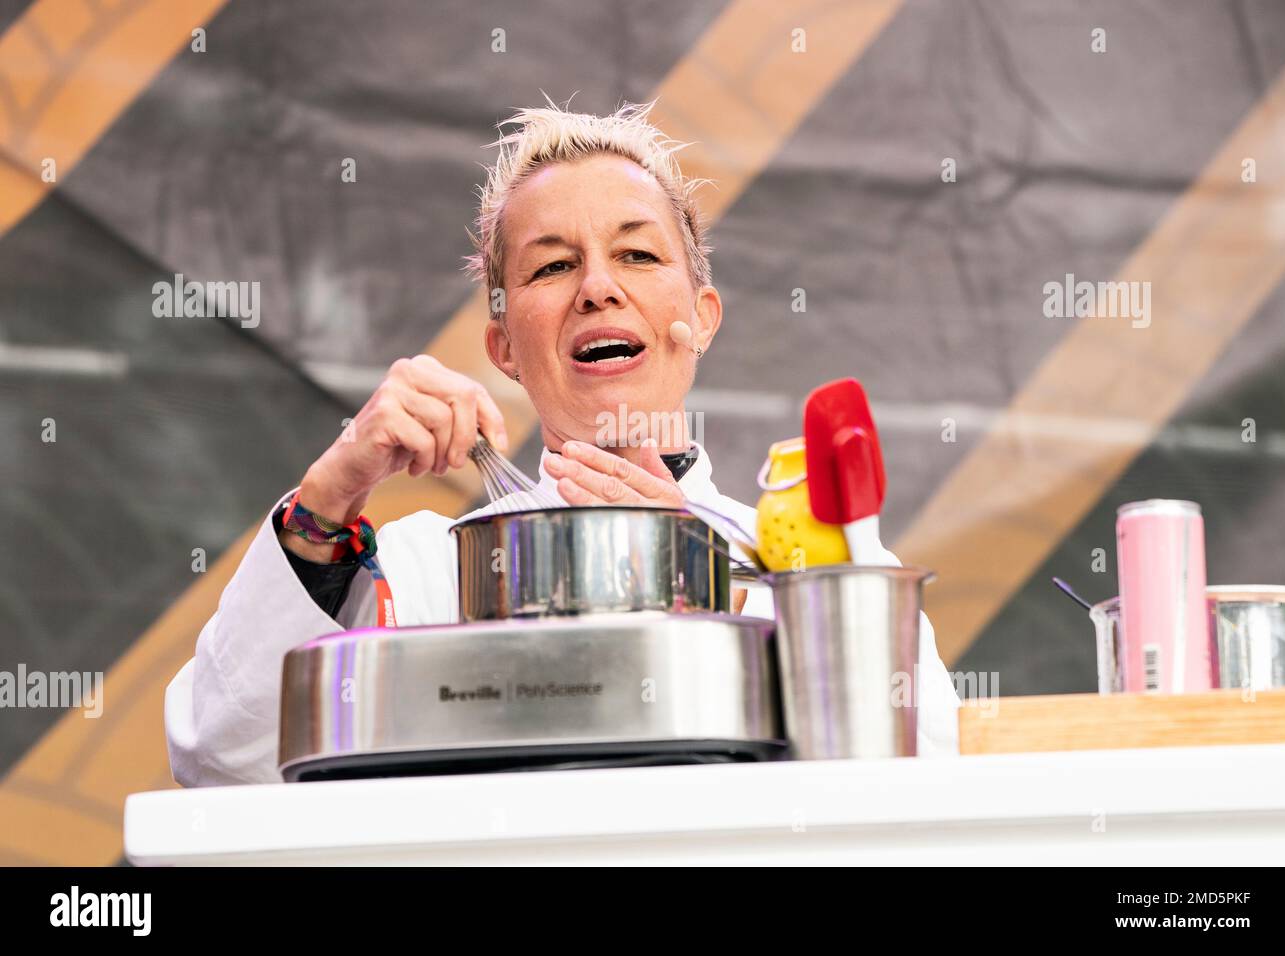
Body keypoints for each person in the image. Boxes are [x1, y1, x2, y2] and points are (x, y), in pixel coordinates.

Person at [164, 101, 961, 787]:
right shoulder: (421, 573)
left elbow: (916, 788)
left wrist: (696, 591)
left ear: (705, 316)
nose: (598, 287)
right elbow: (221, 756)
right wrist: (326, 503)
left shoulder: (815, 582)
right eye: (552, 266)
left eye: (638, 254)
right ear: (504, 345)